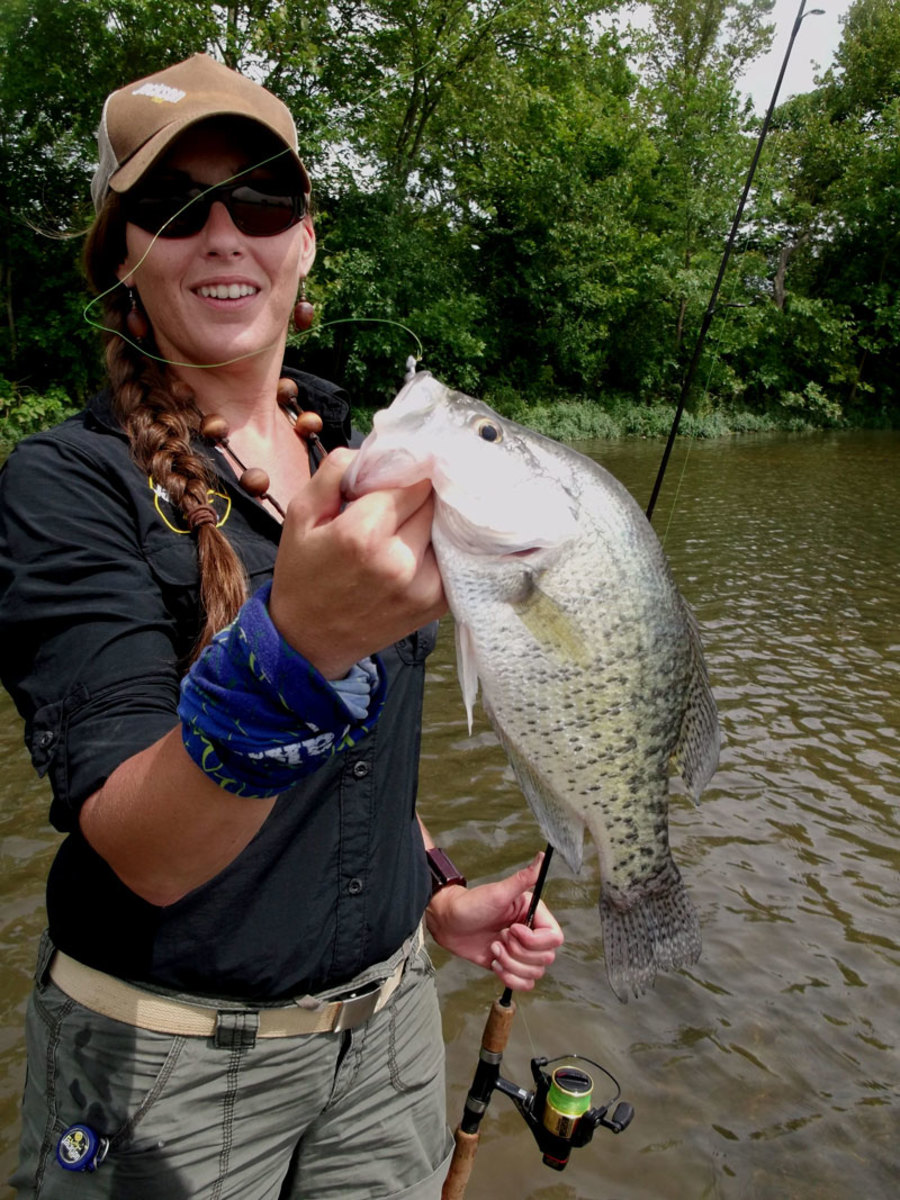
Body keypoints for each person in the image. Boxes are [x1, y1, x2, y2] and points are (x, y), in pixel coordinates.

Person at [0, 54, 563, 1200]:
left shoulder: (371, 463)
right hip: (168, 1068)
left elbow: (360, 763)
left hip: (389, 1040)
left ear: (304, 241)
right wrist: (297, 642)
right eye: (170, 207)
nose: (223, 236)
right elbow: (145, 854)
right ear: (123, 263)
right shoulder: (65, 486)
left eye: (258, 198)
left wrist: (436, 894)